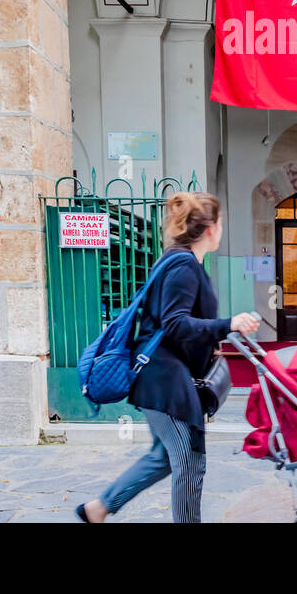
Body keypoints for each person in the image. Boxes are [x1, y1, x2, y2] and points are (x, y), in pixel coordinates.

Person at [79, 192, 260, 523]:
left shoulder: (179, 261)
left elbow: (176, 324)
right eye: (220, 223)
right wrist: (228, 324)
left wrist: (210, 342)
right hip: (165, 384)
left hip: (162, 380)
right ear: (210, 228)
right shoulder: (183, 266)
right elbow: (175, 323)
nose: (221, 229)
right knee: (190, 464)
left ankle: (98, 508)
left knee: (163, 458)